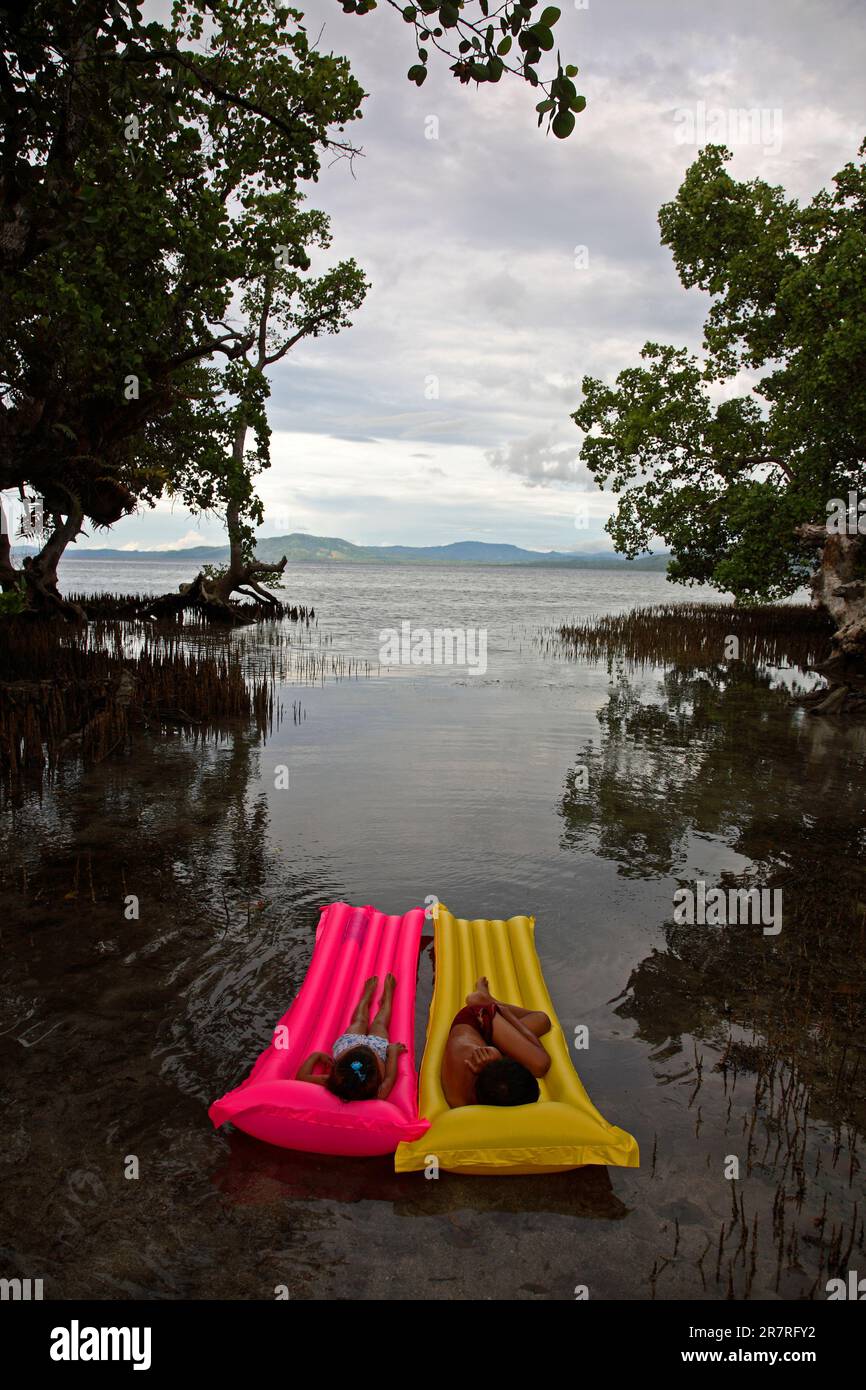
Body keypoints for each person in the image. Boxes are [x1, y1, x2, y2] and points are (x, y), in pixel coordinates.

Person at [441, 976, 551, 1108]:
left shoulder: (462, 1097)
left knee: (542, 1021)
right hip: (482, 1036)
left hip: (476, 1020)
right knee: (541, 1060)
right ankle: (492, 1005)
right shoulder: (461, 1100)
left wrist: (495, 1060)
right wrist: (496, 1058)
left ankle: (488, 1002)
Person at [296, 974, 406, 1102]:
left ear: (336, 1068)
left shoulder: (335, 1081)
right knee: (380, 1024)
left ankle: (366, 997)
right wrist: (393, 1052)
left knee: (359, 1021)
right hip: (376, 1049)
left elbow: (301, 1077)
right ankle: (388, 997)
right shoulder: (378, 1093)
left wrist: (315, 1056)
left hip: (350, 1044)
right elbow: (389, 1078)